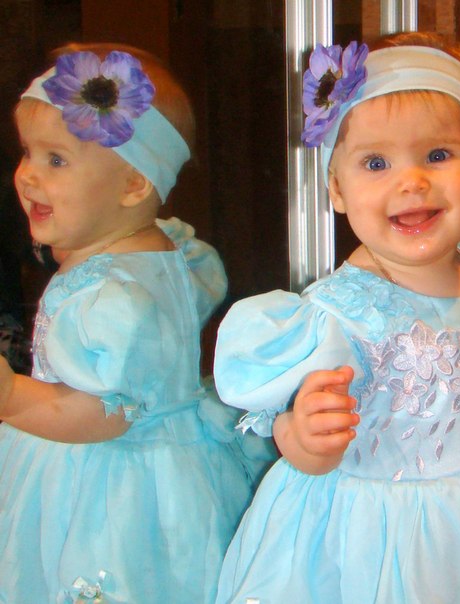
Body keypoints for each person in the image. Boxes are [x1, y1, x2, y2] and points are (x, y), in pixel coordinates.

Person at [213, 32, 460, 603]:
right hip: (381, 537)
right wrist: (304, 436)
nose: (411, 181)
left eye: (438, 155)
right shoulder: (337, 314)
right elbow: (294, 430)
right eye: (376, 163)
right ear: (337, 189)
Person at [0, 43, 275, 603]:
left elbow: (106, 415)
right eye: (28, 153)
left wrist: (11, 396)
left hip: (108, 492)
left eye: (56, 161)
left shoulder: (114, 300)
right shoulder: (160, 251)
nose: (27, 176)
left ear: (133, 185)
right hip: (160, 472)